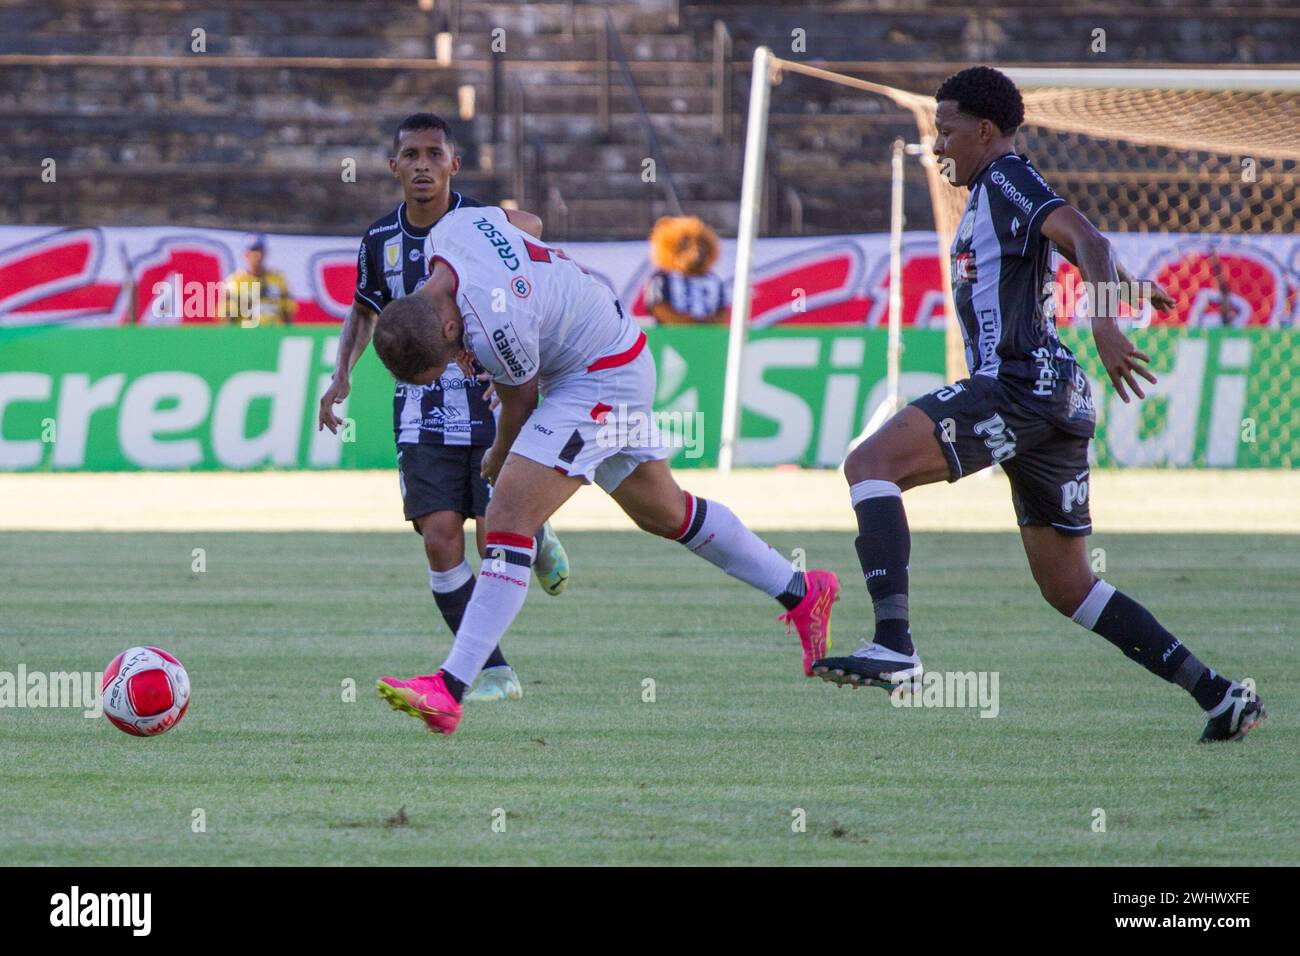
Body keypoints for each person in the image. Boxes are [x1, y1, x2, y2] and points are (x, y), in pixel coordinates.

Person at [812, 67, 1265, 743]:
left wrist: (1108, 322)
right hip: (1054, 399)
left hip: (1017, 385)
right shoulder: (995, 193)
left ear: (985, 130)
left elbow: (1092, 239)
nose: (938, 145)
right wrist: (1128, 286)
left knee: (868, 465)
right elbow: (1068, 251)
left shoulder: (1007, 178)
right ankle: (1218, 695)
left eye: (947, 129)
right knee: (1070, 588)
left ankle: (895, 644)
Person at [368, 205, 841, 735]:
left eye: (452, 356)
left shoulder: (494, 325)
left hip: (599, 379)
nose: (458, 363)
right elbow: (526, 223)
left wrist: (499, 458)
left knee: (505, 519)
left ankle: (450, 687)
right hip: (612, 349)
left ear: (452, 324)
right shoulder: (450, 231)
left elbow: (519, 405)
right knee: (668, 514)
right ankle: (801, 590)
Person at [317, 112, 569, 703]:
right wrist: (340, 377)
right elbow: (364, 311)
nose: (424, 164)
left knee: (496, 537)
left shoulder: (477, 222)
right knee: (438, 539)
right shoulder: (379, 241)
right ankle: (496, 672)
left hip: (490, 402)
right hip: (419, 411)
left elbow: (531, 227)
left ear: (455, 163)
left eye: (435, 153)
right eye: (412, 155)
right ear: (395, 167)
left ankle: (537, 523)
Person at [642, 216, 730, 325]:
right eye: (685, 245)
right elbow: (658, 307)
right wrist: (684, 322)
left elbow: (722, 309)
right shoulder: (662, 278)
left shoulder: (714, 280)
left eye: (702, 246)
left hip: (708, 335)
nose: (697, 251)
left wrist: (710, 323)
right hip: (672, 335)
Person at [221, 235, 296, 326]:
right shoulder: (235, 281)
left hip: (272, 334)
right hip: (247, 335)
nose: (258, 255)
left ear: (266, 253)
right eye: (254, 251)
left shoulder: (278, 279)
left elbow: (287, 312)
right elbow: (227, 316)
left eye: (261, 251)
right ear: (246, 254)